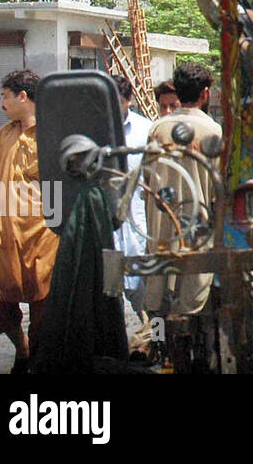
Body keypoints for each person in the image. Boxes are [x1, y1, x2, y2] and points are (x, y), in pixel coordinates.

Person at [0, 70, 58, 373]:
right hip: (4, 234)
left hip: (44, 235)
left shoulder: (53, 133)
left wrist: (59, 232)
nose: (1, 103)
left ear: (22, 96)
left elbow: (60, 188)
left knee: (45, 308)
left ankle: (37, 361)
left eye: (5, 95)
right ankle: (22, 347)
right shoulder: (5, 135)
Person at [143, 63, 221, 372]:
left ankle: (166, 357)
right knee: (197, 305)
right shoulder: (214, 131)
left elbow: (145, 185)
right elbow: (218, 192)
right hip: (199, 233)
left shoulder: (157, 129)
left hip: (160, 233)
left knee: (159, 304)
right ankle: (196, 360)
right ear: (205, 94)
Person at [110, 76, 152, 327]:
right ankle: (116, 354)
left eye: (118, 102)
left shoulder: (146, 130)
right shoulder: (90, 131)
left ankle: (159, 344)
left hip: (140, 230)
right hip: (106, 236)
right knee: (109, 301)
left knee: (150, 302)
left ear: (129, 101)